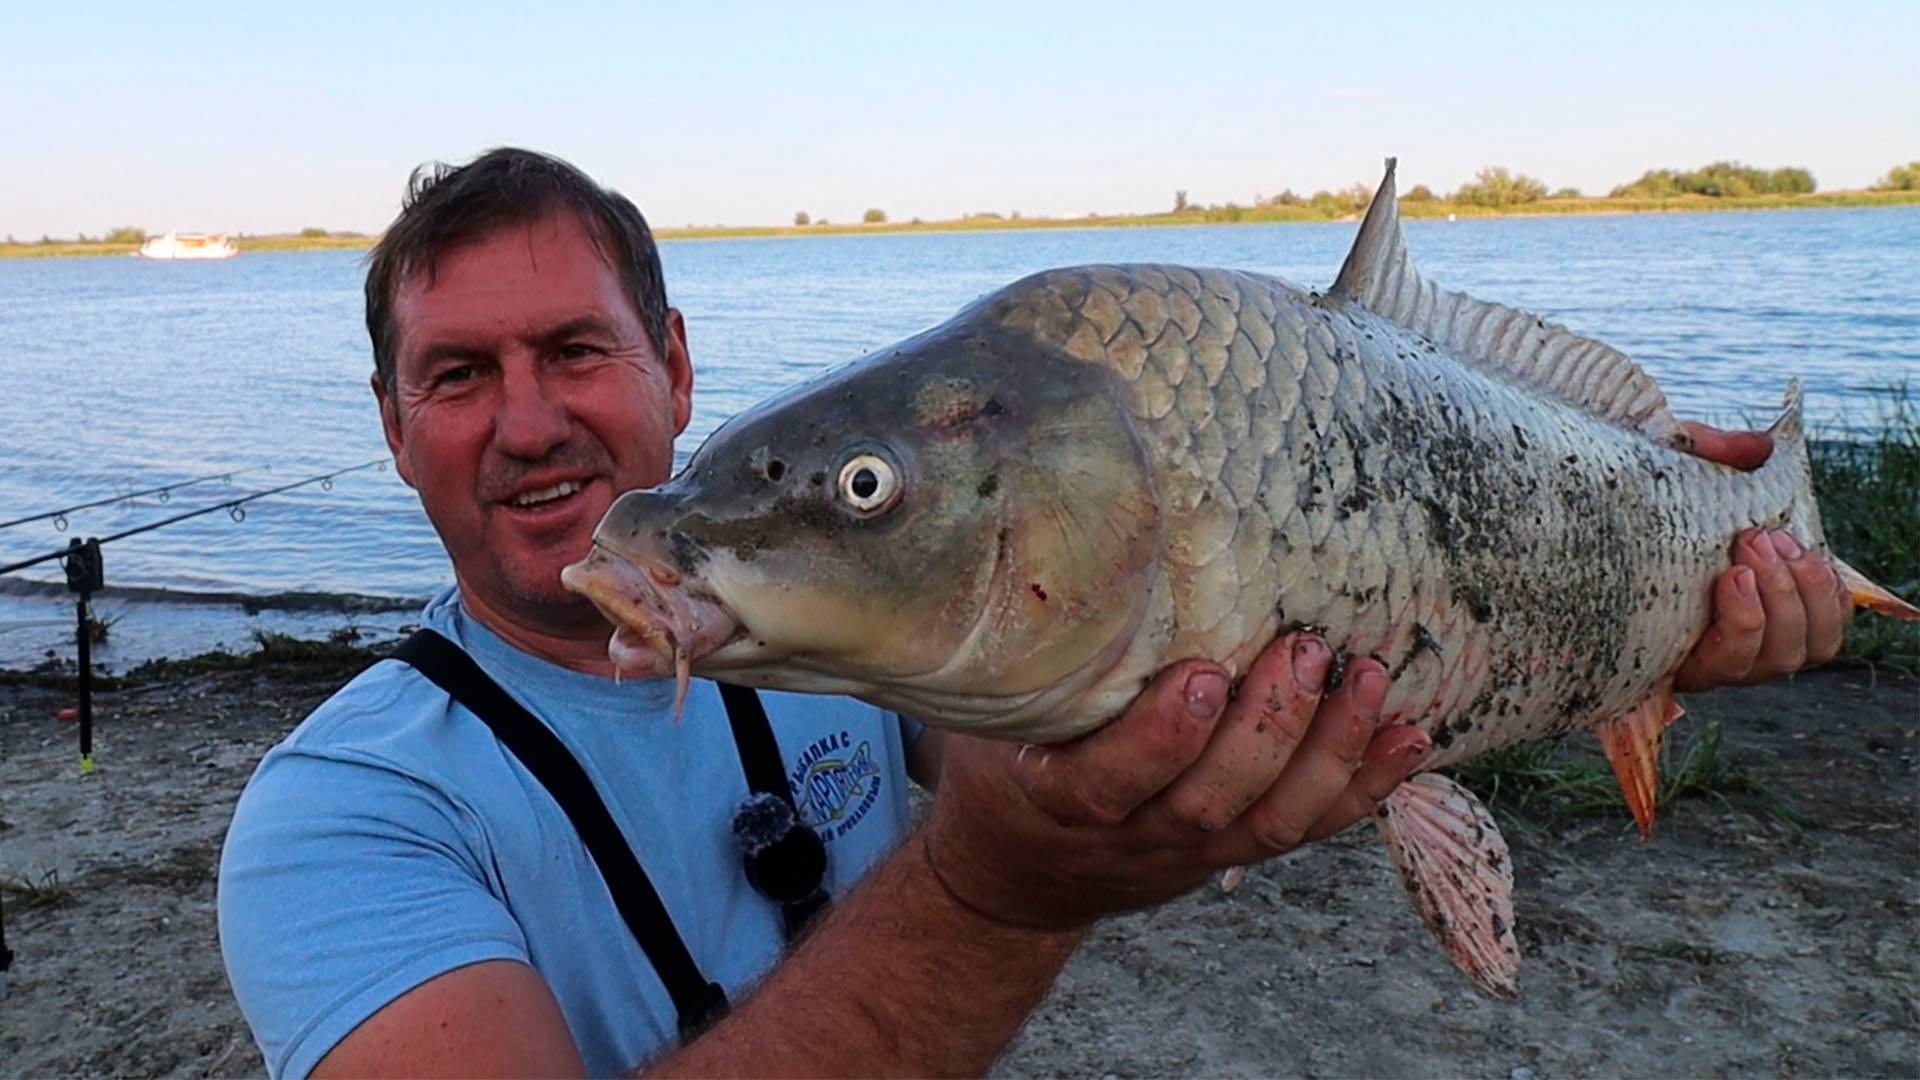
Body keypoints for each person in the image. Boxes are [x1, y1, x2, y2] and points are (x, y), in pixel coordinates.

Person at [217, 148, 1852, 1078]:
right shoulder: (344, 818)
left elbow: (1124, 748)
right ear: (387, 424)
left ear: (677, 367)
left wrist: (1663, 616)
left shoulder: (852, 647)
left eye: (575, 351)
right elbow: (1018, 829)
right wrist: (995, 895)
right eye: (456, 376)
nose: (526, 423)